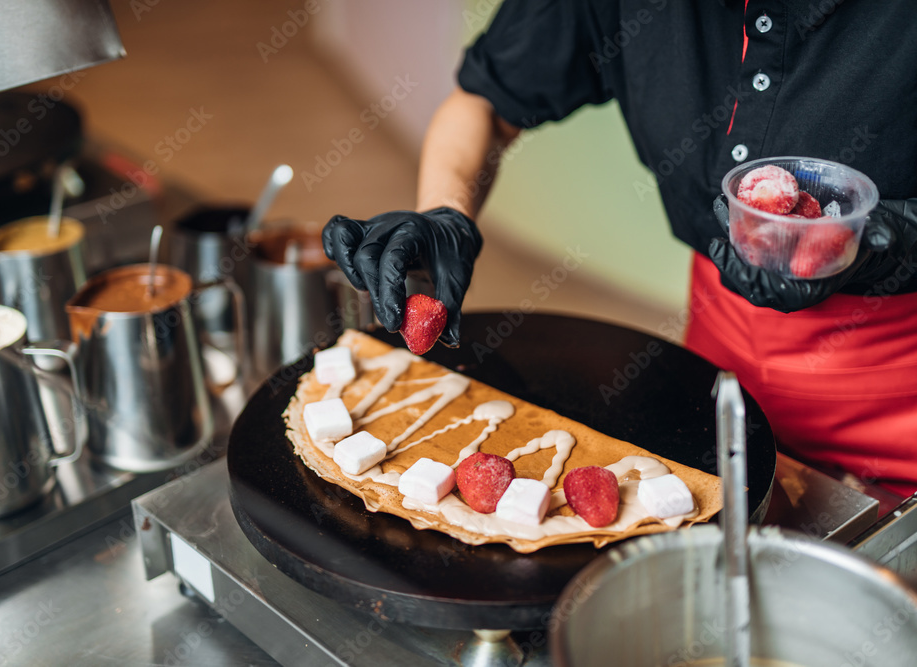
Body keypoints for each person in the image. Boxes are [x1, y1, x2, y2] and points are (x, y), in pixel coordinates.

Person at [322, 1, 917, 497]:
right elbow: (483, 102)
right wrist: (445, 214)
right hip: (720, 364)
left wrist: (893, 235)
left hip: (901, 399)